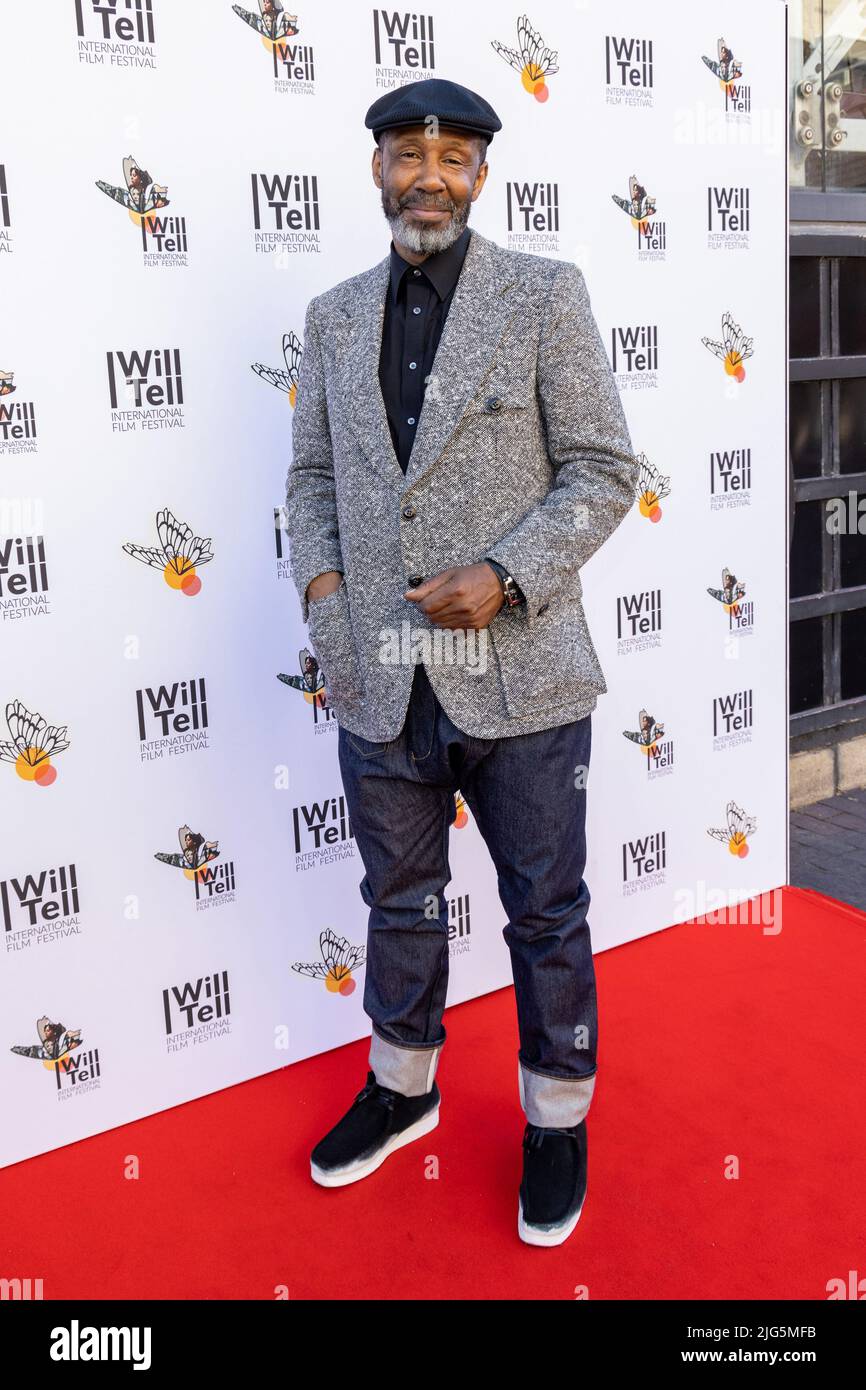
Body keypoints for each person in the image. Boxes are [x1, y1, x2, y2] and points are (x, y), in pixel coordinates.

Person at [284, 77, 639, 1246]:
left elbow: (599, 465)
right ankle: (402, 1086)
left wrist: (505, 571)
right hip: (381, 672)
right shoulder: (332, 316)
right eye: (404, 154)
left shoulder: (542, 295)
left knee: (543, 910)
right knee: (398, 898)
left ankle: (556, 1115)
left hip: (522, 671)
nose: (427, 177)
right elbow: (316, 481)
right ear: (375, 168)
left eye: (452, 159)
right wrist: (331, 606)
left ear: (481, 175)